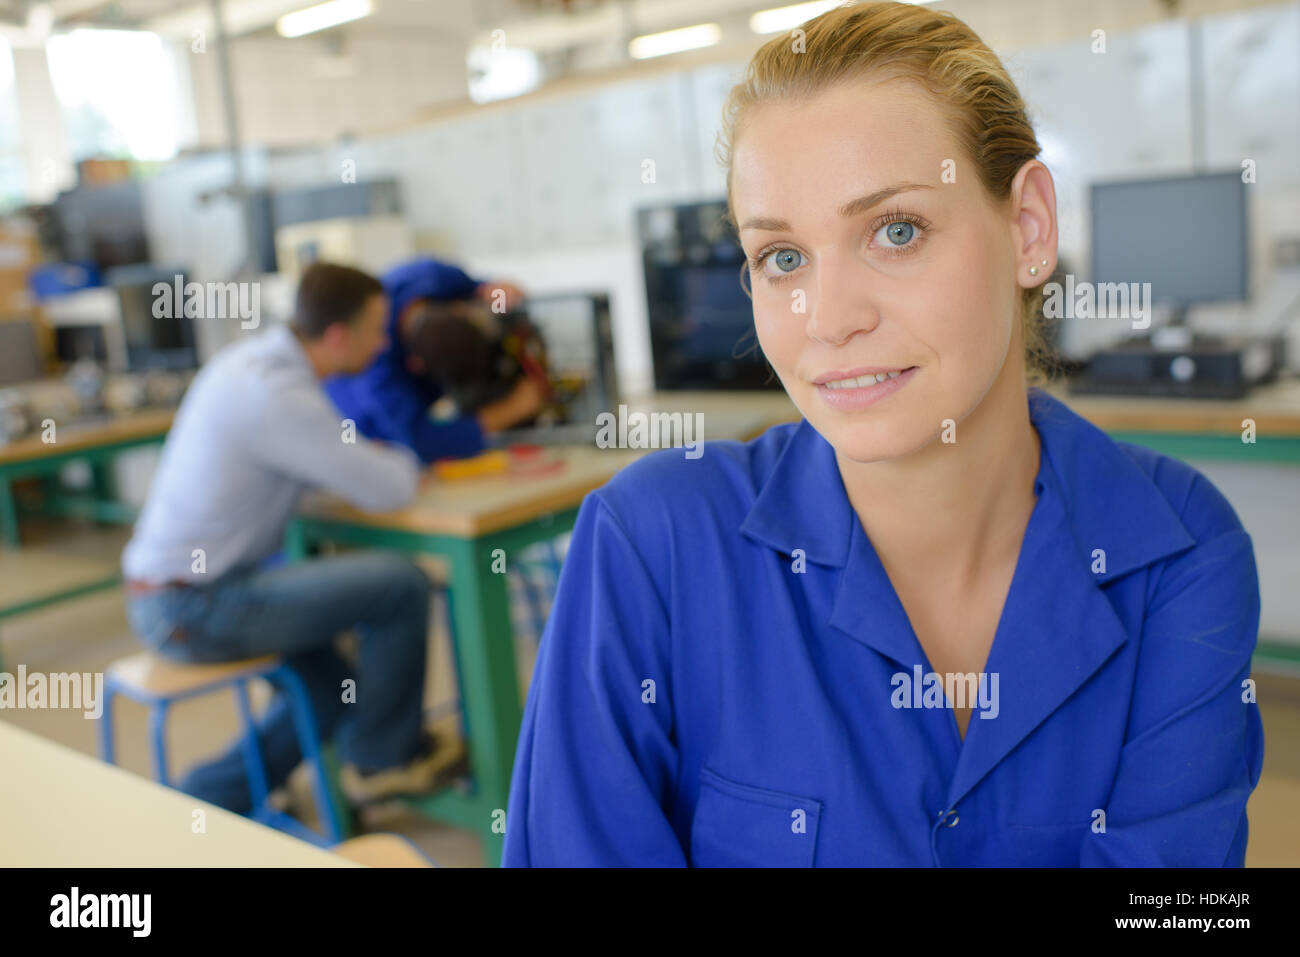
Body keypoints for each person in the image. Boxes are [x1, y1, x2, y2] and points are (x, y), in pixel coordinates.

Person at [503, 0, 1264, 866]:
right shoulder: (654, 545)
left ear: (1029, 228)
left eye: (895, 232)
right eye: (781, 257)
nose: (828, 320)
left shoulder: (1179, 550)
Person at [122, 261, 462, 816]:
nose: (382, 345)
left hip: (178, 592)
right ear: (336, 335)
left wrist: (362, 462)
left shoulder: (253, 365)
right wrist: (397, 462)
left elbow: (332, 464)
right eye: (377, 330)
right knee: (399, 584)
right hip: (195, 604)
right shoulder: (276, 393)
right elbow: (386, 488)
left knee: (328, 696)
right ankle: (383, 761)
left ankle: (199, 804)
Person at [324, 256, 545, 462]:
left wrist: (499, 293)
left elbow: (483, 288)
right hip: (361, 431)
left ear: (459, 309)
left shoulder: (433, 277)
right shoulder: (375, 369)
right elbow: (421, 442)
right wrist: (512, 410)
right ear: (415, 365)